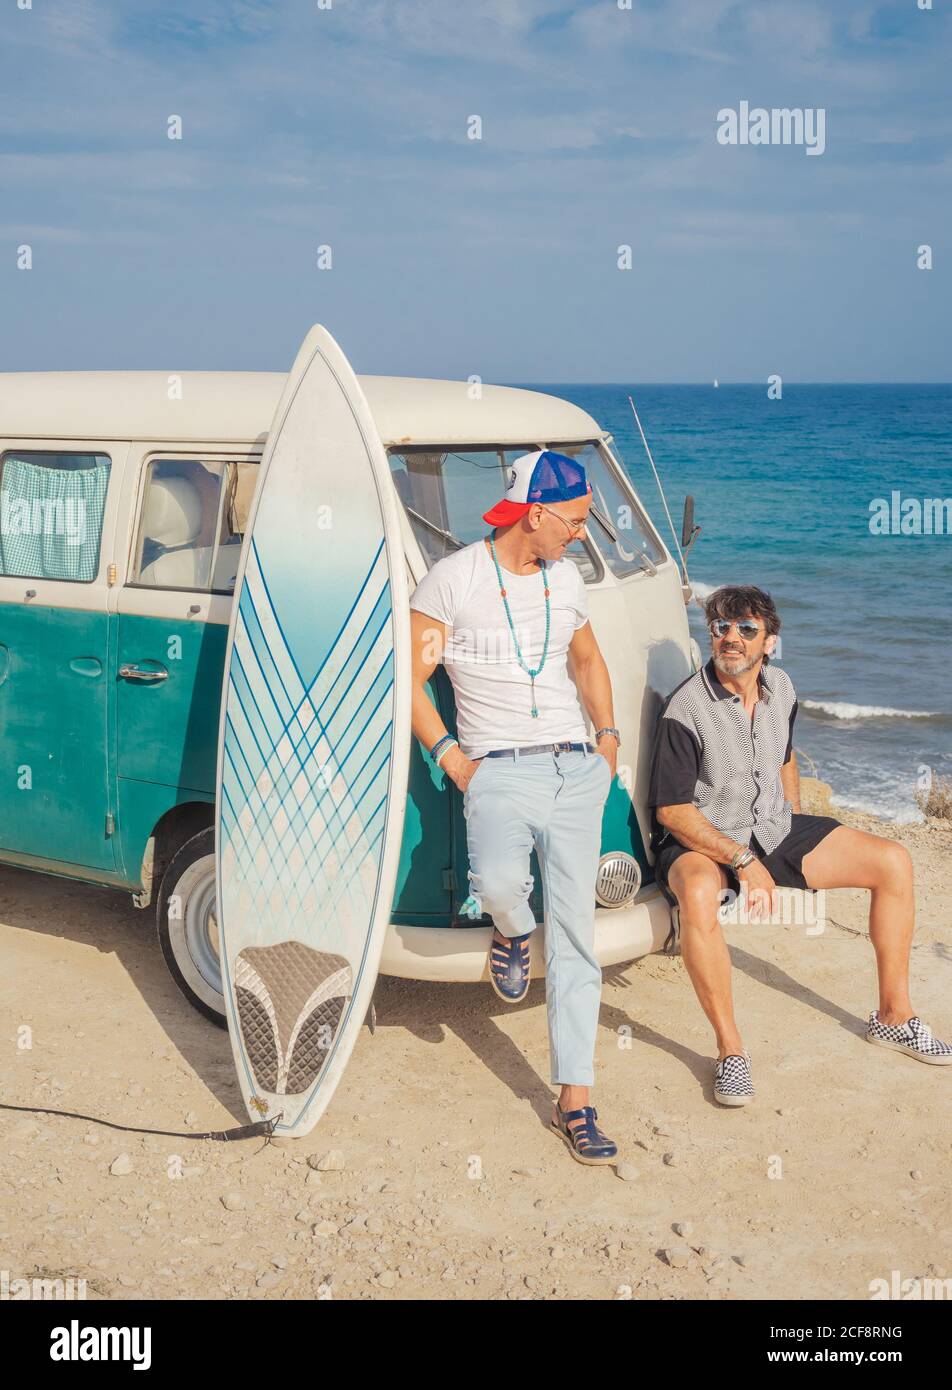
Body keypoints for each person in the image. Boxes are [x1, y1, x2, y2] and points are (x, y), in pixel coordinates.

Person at [648, 584, 951, 1106]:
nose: (732, 639)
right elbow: (672, 811)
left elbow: (784, 753)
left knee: (893, 862)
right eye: (721, 627)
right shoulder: (687, 708)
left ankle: (894, 1017)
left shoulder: (781, 687)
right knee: (698, 893)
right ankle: (732, 1053)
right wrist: (743, 861)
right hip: (704, 837)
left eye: (746, 629)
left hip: (769, 826)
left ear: (769, 641)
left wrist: (787, 816)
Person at [408, 450, 621, 1164]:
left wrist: (608, 741)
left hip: (573, 767)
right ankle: (510, 930)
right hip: (494, 770)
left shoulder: (567, 581)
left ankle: (576, 1101)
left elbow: (587, 662)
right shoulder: (454, 580)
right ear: (535, 515)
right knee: (499, 886)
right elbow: (411, 676)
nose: (583, 535)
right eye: (576, 521)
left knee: (578, 938)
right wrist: (452, 759)